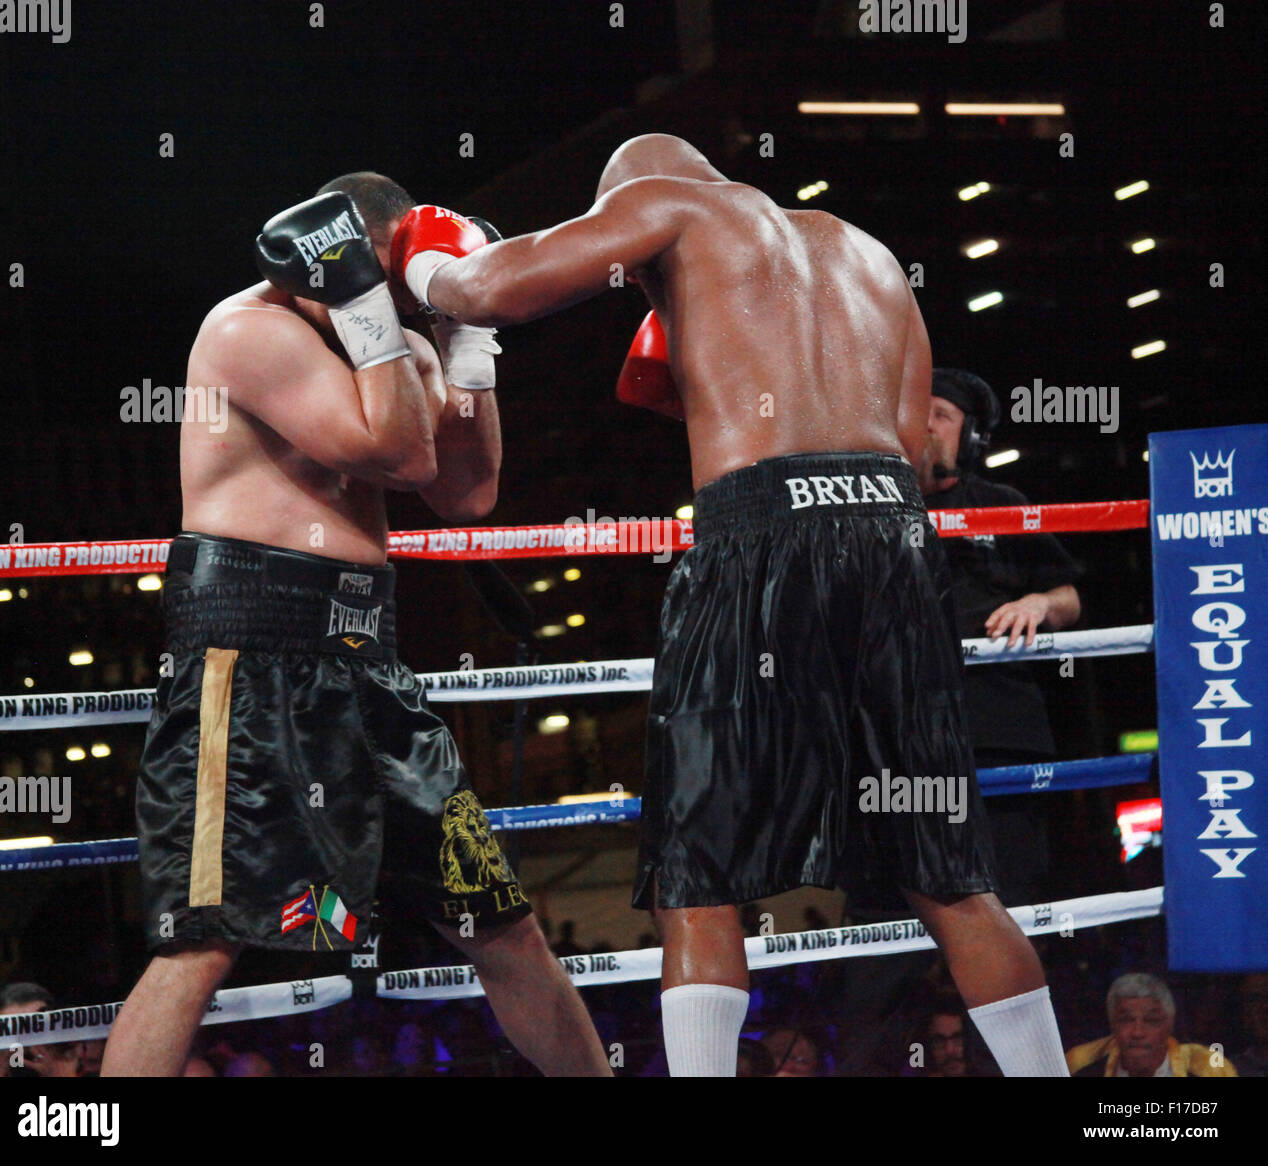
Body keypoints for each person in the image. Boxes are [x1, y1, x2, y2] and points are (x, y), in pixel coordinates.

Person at [394, 133, 1070, 1076]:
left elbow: (490, 289)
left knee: (698, 881)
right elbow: (908, 445)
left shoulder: (671, 205)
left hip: (764, 537)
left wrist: (419, 253)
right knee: (950, 876)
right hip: (893, 539)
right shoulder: (866, 252)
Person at [101, 173, 609, 1077]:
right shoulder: (248, 329)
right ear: (366, 255)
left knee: (501, 923)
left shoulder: (393, 347)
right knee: (203, 941)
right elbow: (397, 452)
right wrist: (387, 326)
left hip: (366, 663)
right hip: (250, 653)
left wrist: (466, 336)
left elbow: (467, 494)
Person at [919, 369, 1082, 906]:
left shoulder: (1002, 502)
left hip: (998, 728)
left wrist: (1038, 602)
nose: (923, 424)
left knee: (1010, 890)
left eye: (941, 415)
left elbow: (1069, 597)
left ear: (970, 437)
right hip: (905, 736)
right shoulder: (875, 506)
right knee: (895, 906)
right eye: (917, 411)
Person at [1066, 973, 1237, 1077]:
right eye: (1126, 1020)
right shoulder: (1080, 1067)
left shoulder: (1208, 1069)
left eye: (1151, 1021)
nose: (1138, 1032)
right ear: (1112, 1025)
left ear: (1169, 1024)